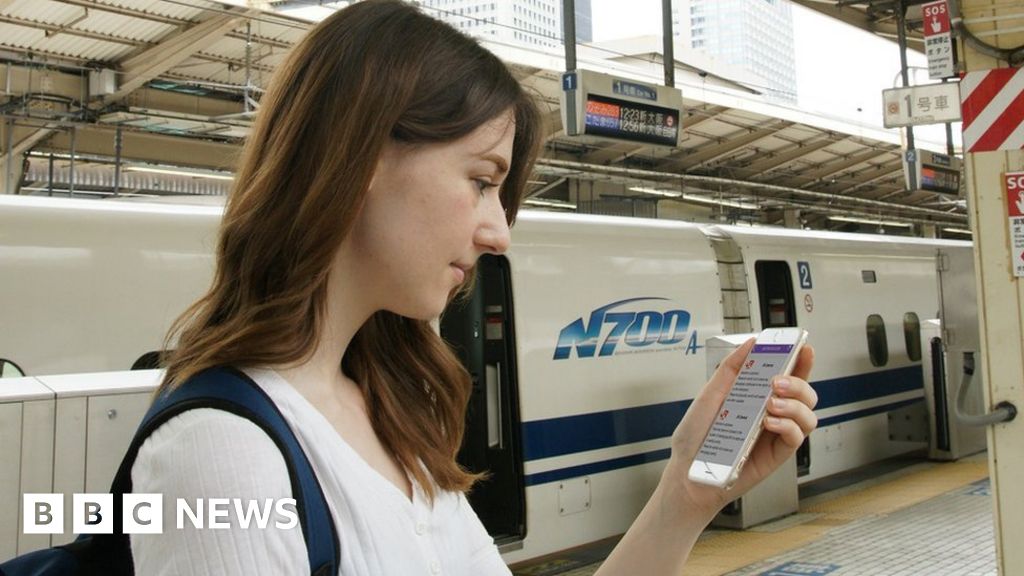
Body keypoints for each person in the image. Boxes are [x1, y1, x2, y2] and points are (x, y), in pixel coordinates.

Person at [131, 1, 818, 574]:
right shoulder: (225, 453)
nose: (499, 233)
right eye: (482, 181)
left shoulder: (389, 415)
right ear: (365, 155)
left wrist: (686, 490)